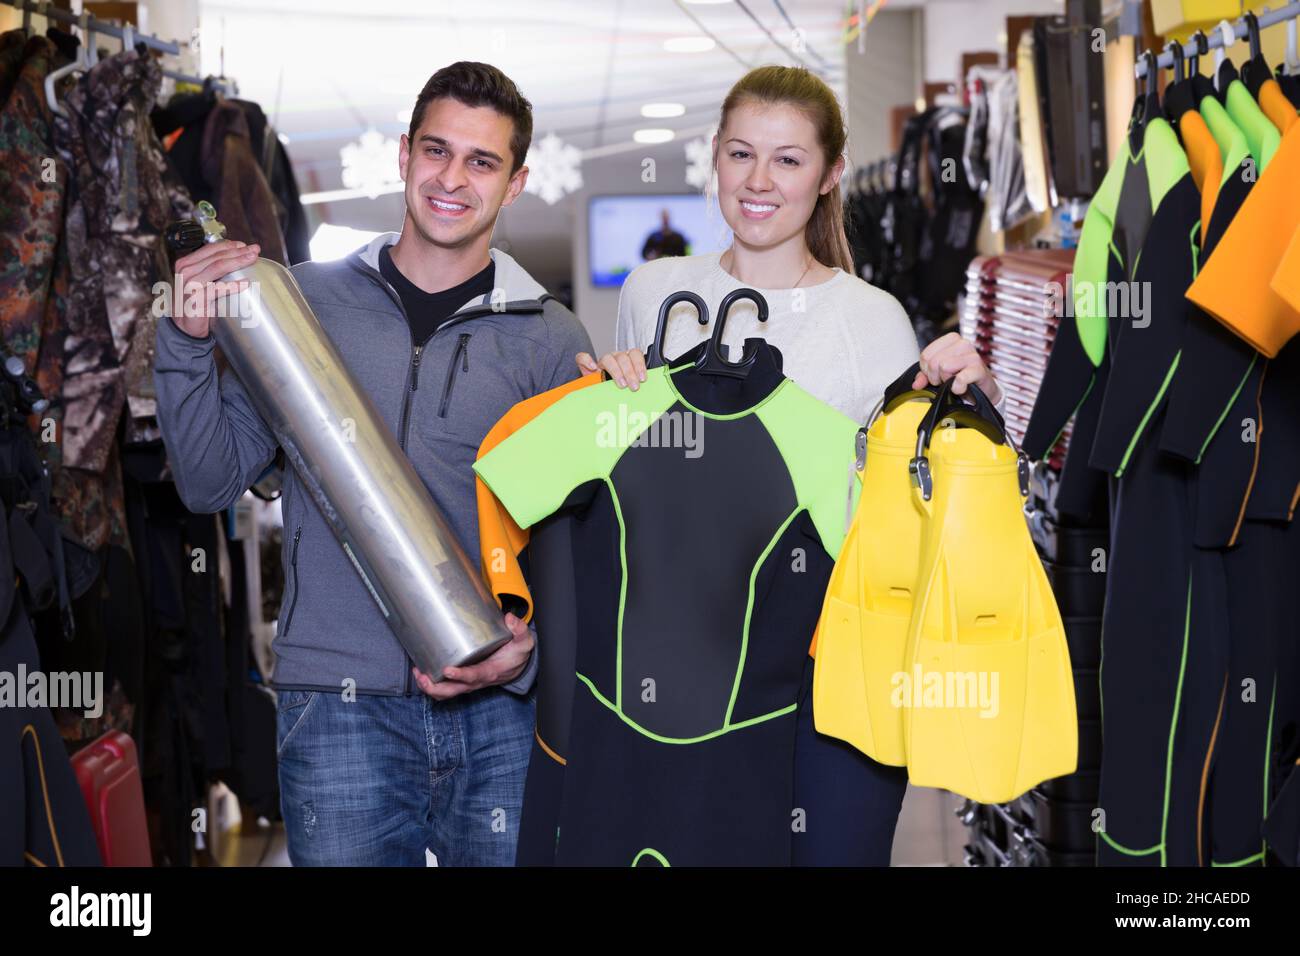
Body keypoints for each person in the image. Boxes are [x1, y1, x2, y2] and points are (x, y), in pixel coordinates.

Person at [155, 61, 593, 866]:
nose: (451, 179)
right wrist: (184, 346)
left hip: (499, 709)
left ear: (517, 181)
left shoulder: (550, 337)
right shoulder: (300, 305)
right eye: (436, 150)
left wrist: (529, 645)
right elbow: (210, 482)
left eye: (481, 161)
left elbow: (584, 542)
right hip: (336, 705)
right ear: (403, 155)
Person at [576, 65, 1002, 865]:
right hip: (689, 660)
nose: (758, 181)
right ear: (715, 157)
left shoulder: (872, 322)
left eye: (788, 159)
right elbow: (624, 471)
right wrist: (601, 392)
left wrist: (975, 400)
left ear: (832, 173)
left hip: (829, 662)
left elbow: (910, 500)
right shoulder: (654, 292)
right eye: (741, 155)